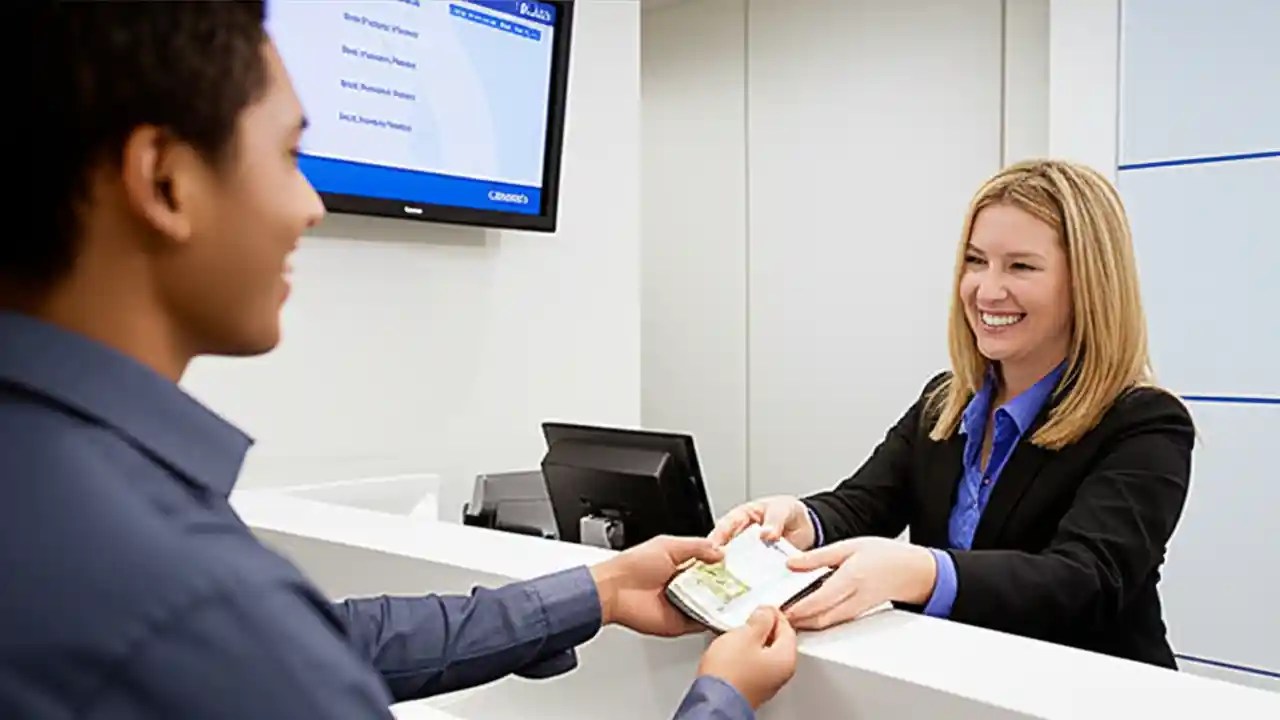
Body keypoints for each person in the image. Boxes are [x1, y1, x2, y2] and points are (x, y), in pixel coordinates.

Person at [0, 4, 796, 719]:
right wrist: (719, 702)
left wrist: (602, 588)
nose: (309, 205)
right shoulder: (182, 595)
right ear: (164, 180)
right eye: (288, 155)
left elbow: (326, 643)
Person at [711, 159, 1195, 668]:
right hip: (964, 685)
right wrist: (798, 521)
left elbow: (1084, 580)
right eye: (975, 261)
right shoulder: (945, 404)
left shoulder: (1145, 425)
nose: (987, 290)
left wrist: (920, 572)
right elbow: (862, 505)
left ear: (1089, 283)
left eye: (1021, 266)